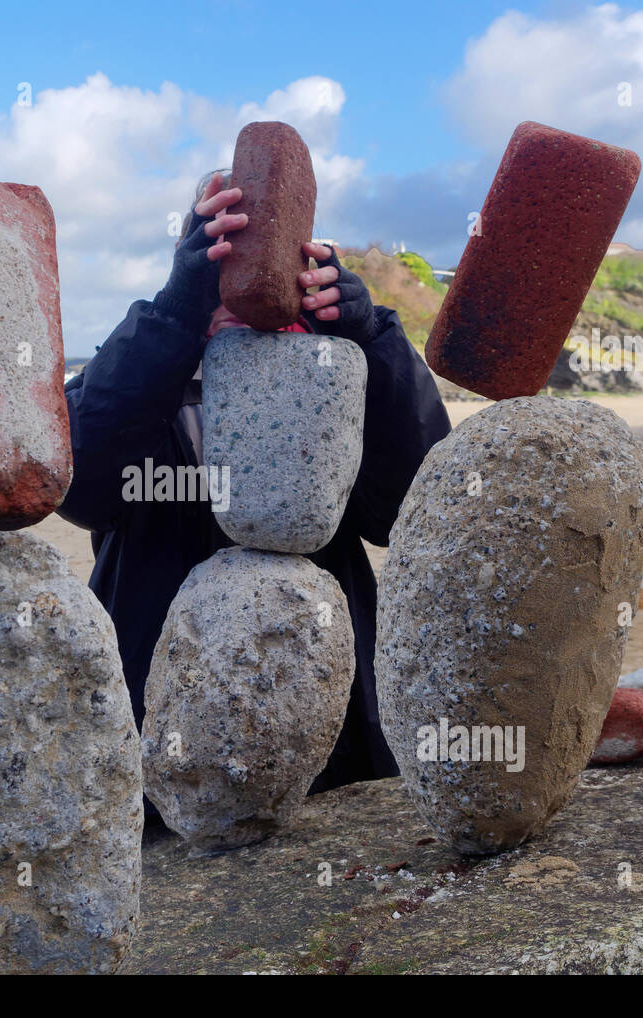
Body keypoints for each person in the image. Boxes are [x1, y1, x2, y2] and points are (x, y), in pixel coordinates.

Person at [58, 170, 451, 799]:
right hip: (150, 708)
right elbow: (83, 486)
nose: (239, 291)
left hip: (333, 718)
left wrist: (371, 340)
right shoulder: (136, 368)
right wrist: (173, 318)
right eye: (217, 253)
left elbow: (409, 508)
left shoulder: (332, 379)